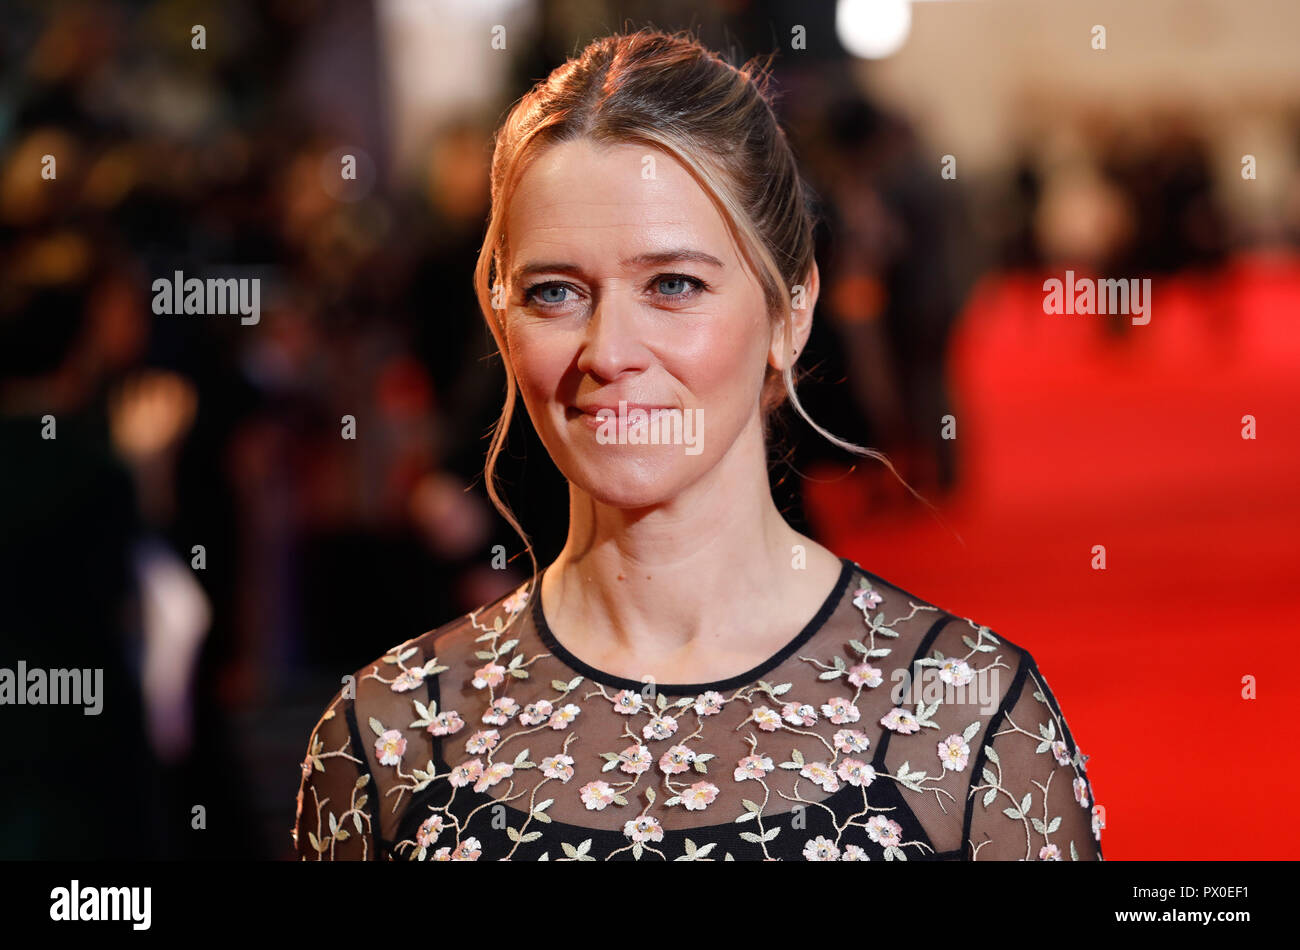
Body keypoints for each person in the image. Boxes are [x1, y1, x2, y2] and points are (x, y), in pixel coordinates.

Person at [291, 29, 1104, 862]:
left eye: (673, 285)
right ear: (501, 320)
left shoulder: (969, 721)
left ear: (791, 311)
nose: (609, 351)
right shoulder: (386, 738)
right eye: (555, 292)